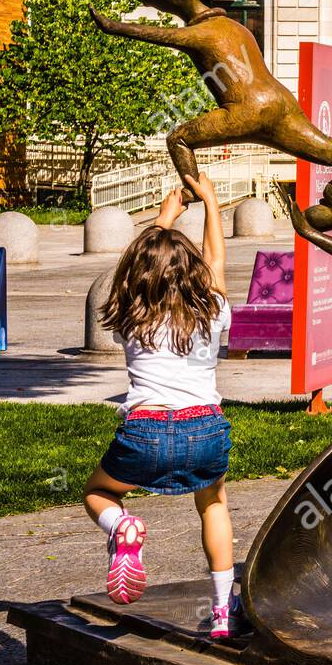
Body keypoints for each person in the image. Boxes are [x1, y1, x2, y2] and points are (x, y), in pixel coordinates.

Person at [82, 173, 238, 639]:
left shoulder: (132, 313)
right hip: (206, 429)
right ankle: (223, 614)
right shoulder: (213, 308)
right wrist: (211, 201)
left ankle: (122, 526)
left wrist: (163, 220)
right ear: (193, 272)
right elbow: (216, 261)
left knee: (98, 493)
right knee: (213, 504)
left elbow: (134, 270)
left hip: (145, 430)